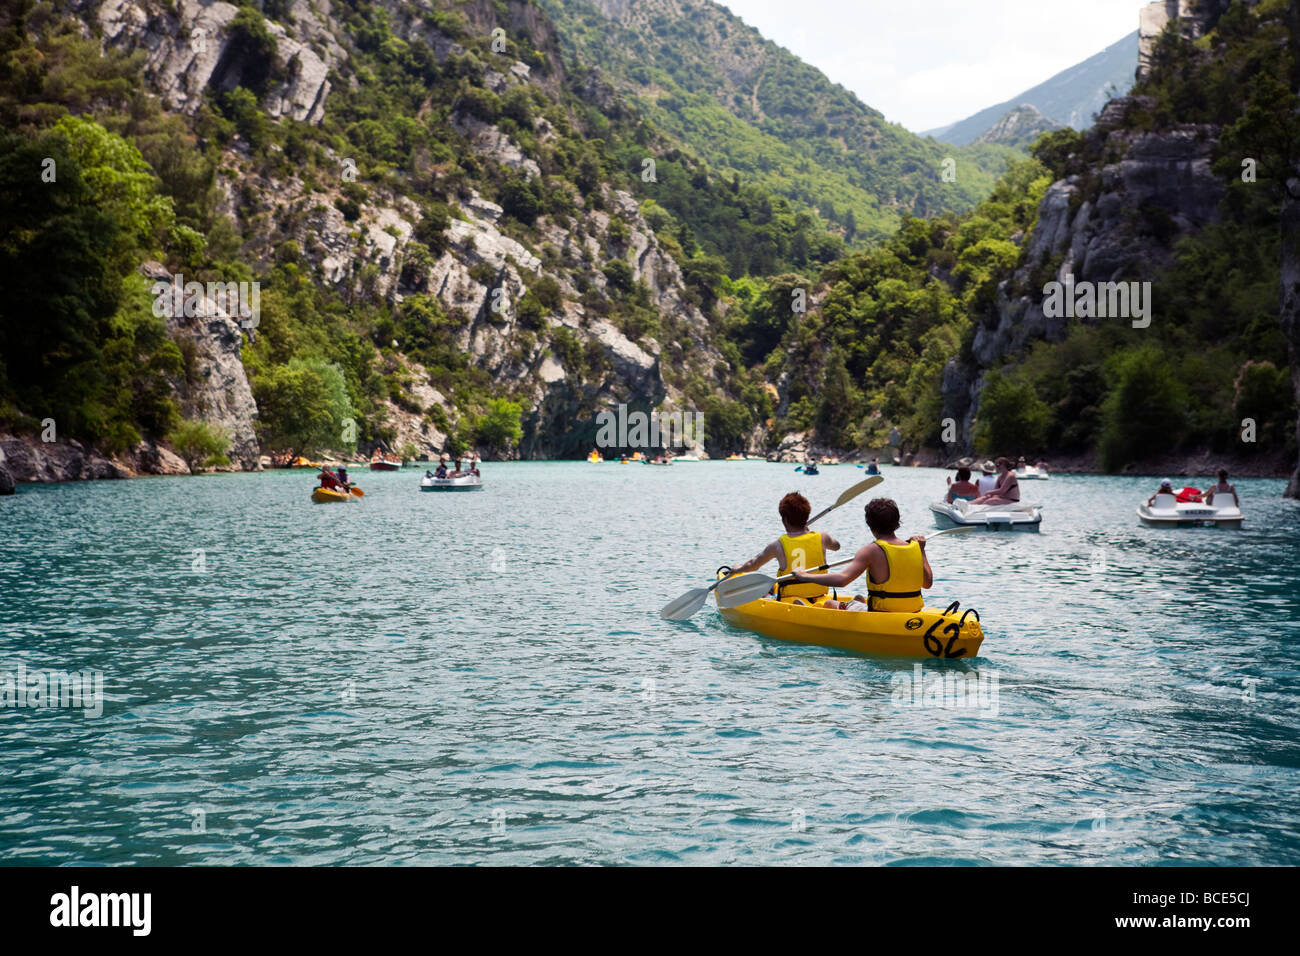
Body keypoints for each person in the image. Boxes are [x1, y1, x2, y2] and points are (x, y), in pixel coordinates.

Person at [790, 497, 933, 612]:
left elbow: (842, 580)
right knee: (855, 604)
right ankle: (857, 604)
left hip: (882, 614)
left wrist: (805, 576)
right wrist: (922, 551)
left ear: (869, 524)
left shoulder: (870, 550)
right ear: (897, 522)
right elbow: (927, 584)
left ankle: (810, 610)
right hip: (913, 612)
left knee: (829, 603)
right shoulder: (915, 547)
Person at [729, 492, 841, 602]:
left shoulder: (777, 545)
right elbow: (837, 546)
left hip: (790, 599)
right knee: (773, 586)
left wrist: (738, 569)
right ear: (806, 516)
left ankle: (793, 602)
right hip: (819, 594)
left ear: (785, 520)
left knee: (765, 590)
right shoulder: (822, 537)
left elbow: (753, 564)